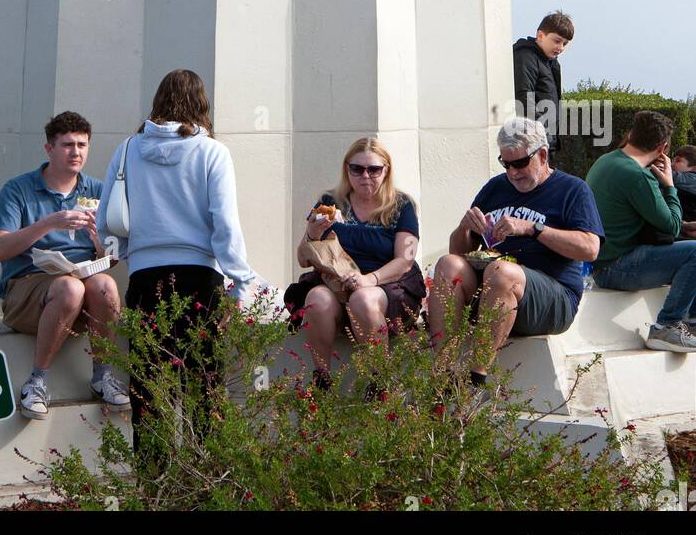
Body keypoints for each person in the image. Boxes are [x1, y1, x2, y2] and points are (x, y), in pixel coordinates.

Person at [97, 69, 258, 449]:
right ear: (202, 103)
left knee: (149, 387)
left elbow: (106, 220)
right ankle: (204, 480)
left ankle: (153, 490)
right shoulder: (212, 152)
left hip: (144, 277)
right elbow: (225, 222)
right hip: (200, 276)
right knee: (204, 384)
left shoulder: (126, 150)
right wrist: (242, 281)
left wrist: (121, 250)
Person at [429, 118, 603, 388]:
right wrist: (465, 227)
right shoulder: (495, 187)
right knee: (447, 265)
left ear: (542, 155)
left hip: (552, 298)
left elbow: (590, 249)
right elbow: (459, 252)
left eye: (520, 163)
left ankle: (476, 377)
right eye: (505, 164)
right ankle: (442, 372)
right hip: (492, 291)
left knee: (501, 272)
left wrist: (534, 229)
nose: (513, 173)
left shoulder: (573, 190)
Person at [0, 110, 128, 418]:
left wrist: (99, 242)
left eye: (82, 144)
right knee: (69, 287)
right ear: (49, 149)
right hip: (28, 292)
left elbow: (115, 256)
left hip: (82, 296)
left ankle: (102, 375)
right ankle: (37, 381)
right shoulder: (18, 190)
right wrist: (48, 223)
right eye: (67, 145)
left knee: (106, 285)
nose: (75, 152)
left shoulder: (97, 190)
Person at [287, 139, 424, 390]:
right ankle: (322, 380)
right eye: (357, 169)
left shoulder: (402, 205)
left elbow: (404, 261)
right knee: (317, 299)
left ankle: (379, 381)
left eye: (374, 169)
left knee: (363, 298)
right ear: (346, 170)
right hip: (336, 281)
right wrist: (311, 235)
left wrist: (368, 280)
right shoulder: (329, 202)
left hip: (385, 282)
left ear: (386, 171)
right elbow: (303, 259)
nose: (365, 176)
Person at [587, 111, 696, 350]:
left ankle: (690, 322)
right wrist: (669, 184)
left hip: (600, 262)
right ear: (663, 147)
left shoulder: (606, 161)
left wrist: (683, 225)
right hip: (615, 267)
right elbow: (671, 225)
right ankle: (667, 326)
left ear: (631, 135)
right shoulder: (637, 175)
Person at [512, 11, 574, 154]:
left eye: (565, 43)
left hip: (545, 143)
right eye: (557, 41)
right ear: (540, 36)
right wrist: (541, 138)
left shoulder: (550, 62)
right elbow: (524, 99)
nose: (561, 47)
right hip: (533, 144)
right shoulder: (526, 57)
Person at [672, 145, 696, 231]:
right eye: (672, 160)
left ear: (694, 168)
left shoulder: (692, 179)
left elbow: (671, 177)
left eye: (678, 161)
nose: (672, 164)